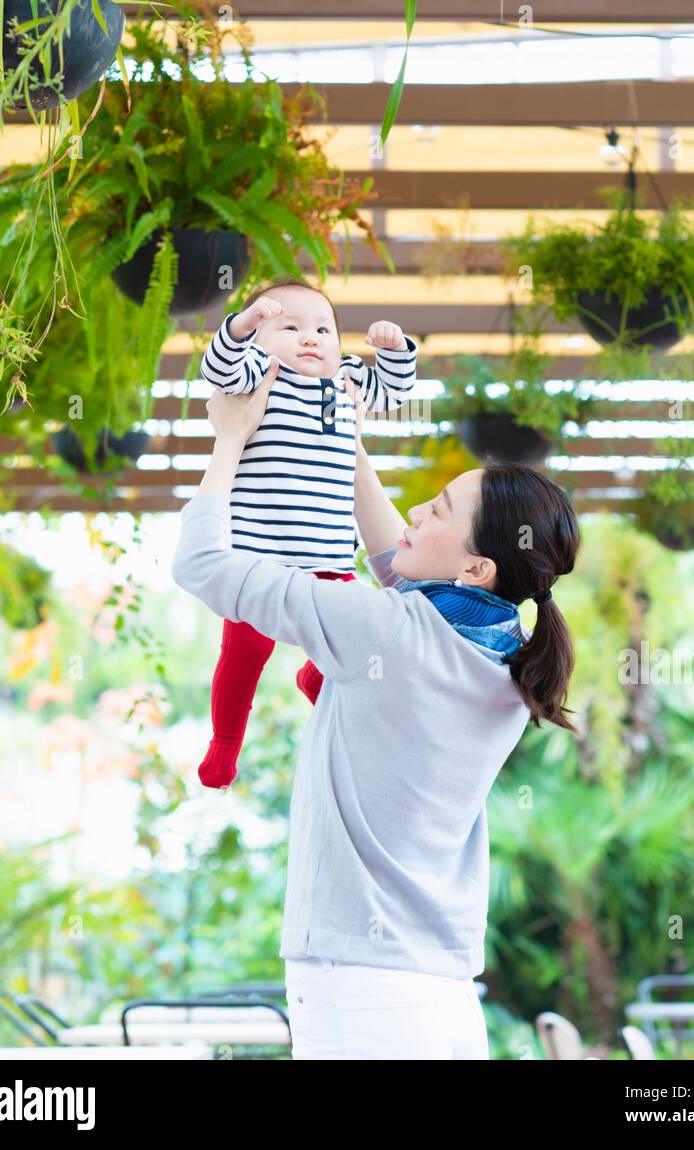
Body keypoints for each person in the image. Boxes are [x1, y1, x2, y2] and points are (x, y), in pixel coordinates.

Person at [171, 360, 580, 1060]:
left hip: (363, 990)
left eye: (440, 511)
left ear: (478, 568)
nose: (418, 511)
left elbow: (202, 565)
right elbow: (402, 562)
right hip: (441, 993)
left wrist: (230, 438)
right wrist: (344, 441)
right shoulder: (506, 652)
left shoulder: (386, 629)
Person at [196, 276, 417, 788]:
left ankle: (315, 675)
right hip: (257, 558)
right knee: (245, 651)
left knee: (359, 632)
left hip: (328, 556)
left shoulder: (346, 381)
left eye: (323, 328)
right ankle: (224, 746)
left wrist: (396, 349)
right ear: (260, 341)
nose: (310, 338)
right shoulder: (260, 373)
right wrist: (239, 329)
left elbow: (396, 391)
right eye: (289, 327)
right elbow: (219, 367)